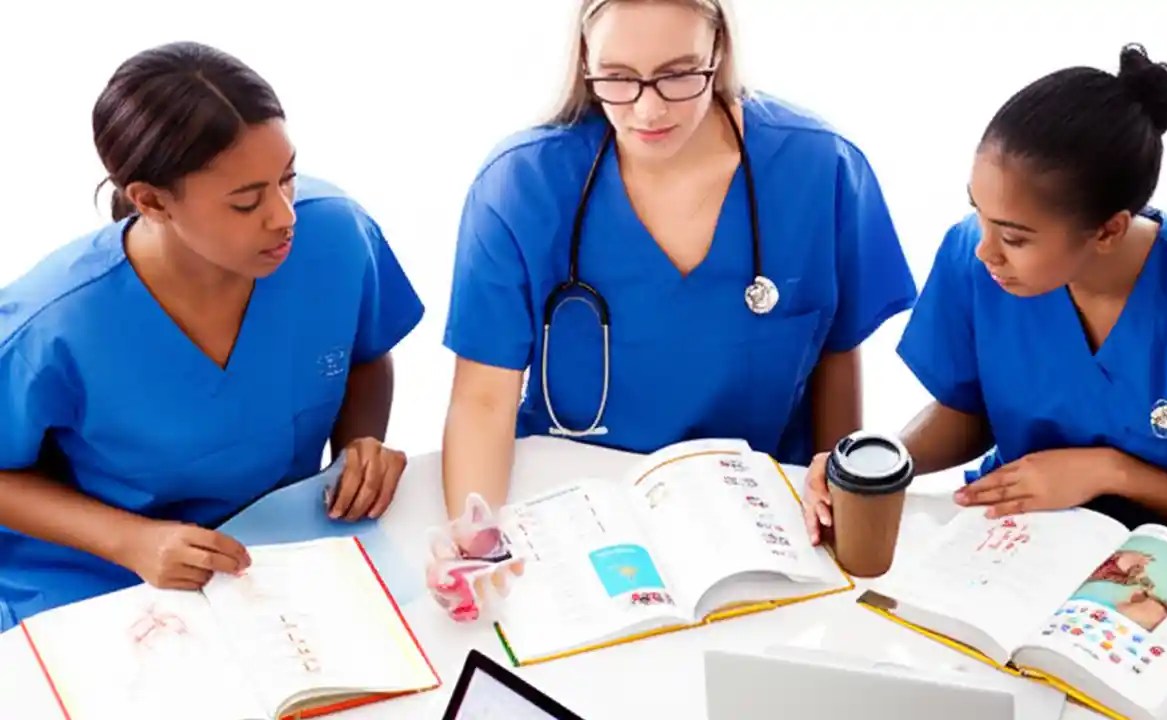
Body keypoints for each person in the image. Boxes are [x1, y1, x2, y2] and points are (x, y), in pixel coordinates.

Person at [803, 43, 1167, 579]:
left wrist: (1114, 474)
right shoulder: (973, 259)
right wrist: (879, 464)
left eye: (1013, 237)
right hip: (1022, 549)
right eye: (978, 214)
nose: (986, 249)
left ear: (1109, 230)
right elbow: (969, 411)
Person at [439, 0, 917, 523]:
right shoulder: (519, 185)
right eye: (618, 77)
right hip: (573, 498)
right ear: (584, 59)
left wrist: (841, 509)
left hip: (761, 508)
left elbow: (837, 352)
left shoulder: (819, 167)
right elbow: (483, 400)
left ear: (721, 50)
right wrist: (475, 538)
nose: (648, 110)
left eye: (679, 74)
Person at [0, 41, 424, 630]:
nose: (284, 216)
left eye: (287, 178)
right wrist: (129, 541)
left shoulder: (334, 236)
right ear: (151, 201)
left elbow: (363, 355)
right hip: (97, 580)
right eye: (247, 202)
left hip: (281, 551)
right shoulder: (51, 325)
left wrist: (360, 447)